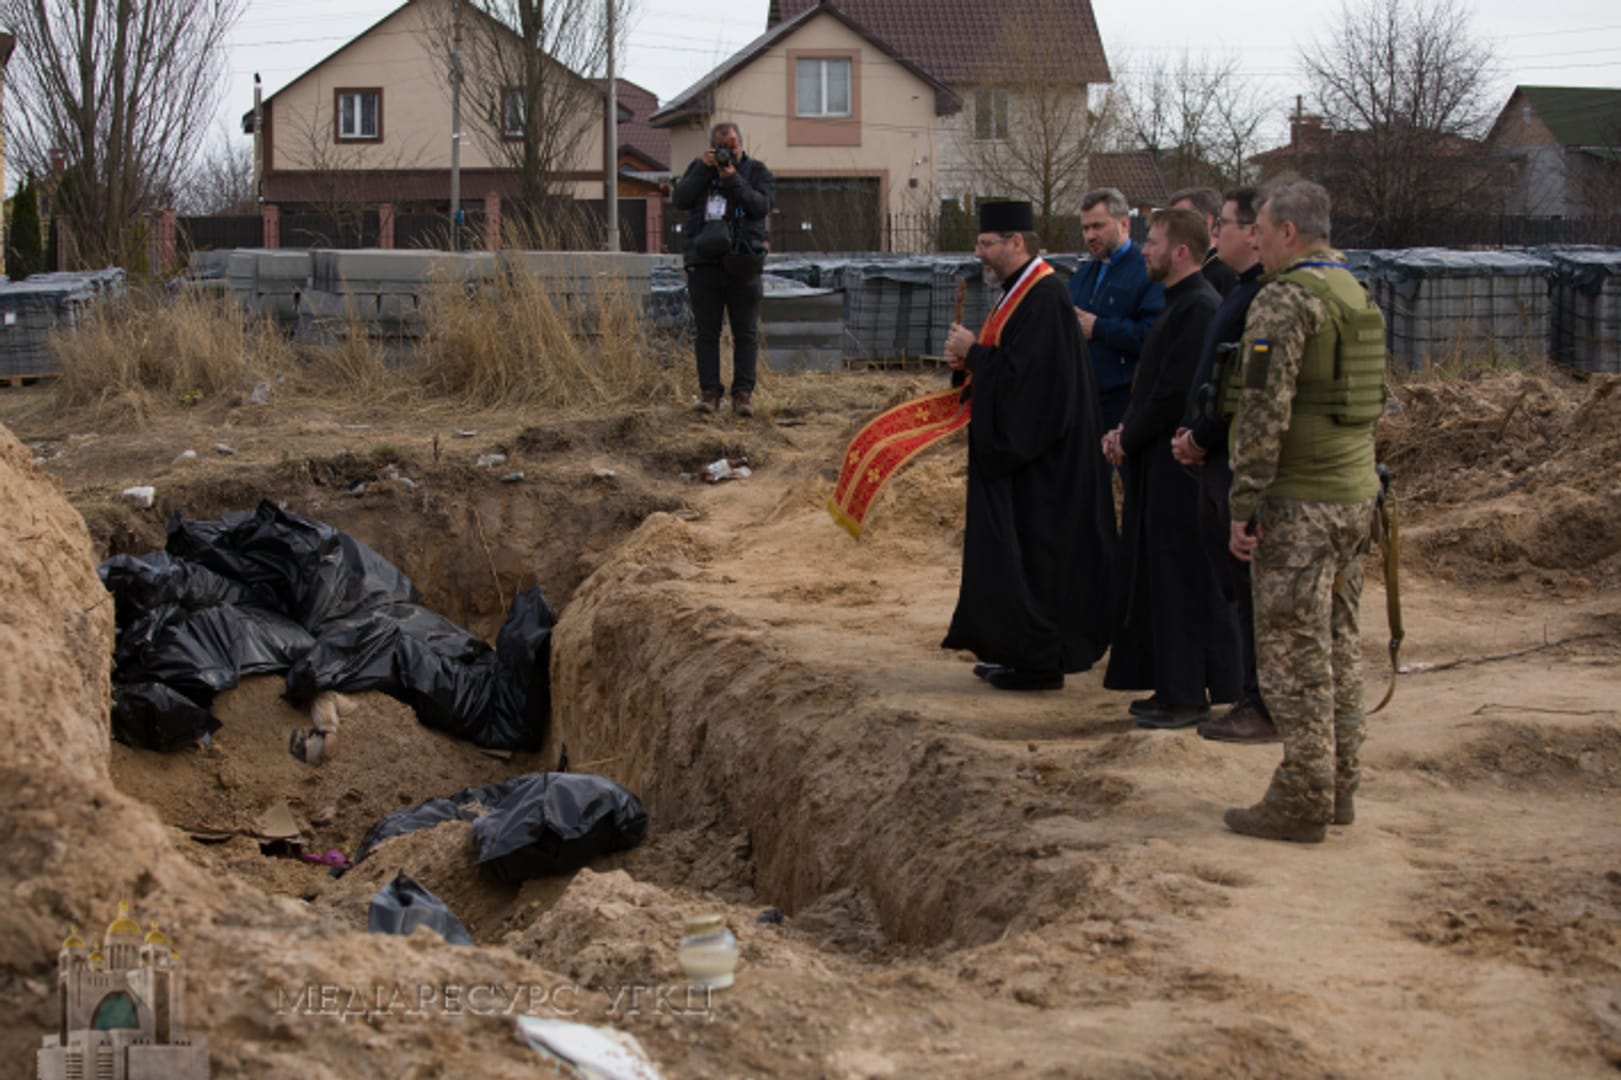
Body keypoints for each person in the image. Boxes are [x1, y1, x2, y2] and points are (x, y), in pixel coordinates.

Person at [1224, 179, 1384, 844]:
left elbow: (1263, 411)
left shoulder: (1285, 299)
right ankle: (1338, 785)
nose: (1254, 243)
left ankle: (1301, 797)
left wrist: (1244, 501)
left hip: (1300, 502)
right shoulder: (1353, 291)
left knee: (1293, 653)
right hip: (1354, 497)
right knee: (1338, 645)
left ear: (1288, 233)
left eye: (1259, 231)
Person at [940, 201, 1116, 692]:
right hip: (1022, 459)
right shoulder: (1018, 292)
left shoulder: (1045, 296)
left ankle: (1040, 662)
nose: (979, 254)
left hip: (1044, 464)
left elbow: (1035, 386)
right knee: (1015, 560)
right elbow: (1010, 363)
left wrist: (975, 355)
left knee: (1040, 561)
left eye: (986, 244)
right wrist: (969, 361)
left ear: (1016, 242)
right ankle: (1018, 653)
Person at [1100, 208, 1240, 727]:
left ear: (1180, 251)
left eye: (1153, 242)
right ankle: (1169, 685)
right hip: (1155, 463)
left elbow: (1174, 392)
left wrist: (1129, 436)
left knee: (1181, 580)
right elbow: (1152, 385)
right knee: (1159, 578)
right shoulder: (1178, 303)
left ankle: (1186, 694)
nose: (1144, 250)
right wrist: (1125, 429)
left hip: (1177, 469)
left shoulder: (1198, 307)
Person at [1170, 187, 1277, 743]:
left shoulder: (1265, 300)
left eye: (1224, 226)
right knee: (1235, 589)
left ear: (1255, 234)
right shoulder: (1240, 291)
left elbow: (1247, 395)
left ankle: (1260, 701)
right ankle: (1250, 695)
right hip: (1214, 459)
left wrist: (1202, 437)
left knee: (1252, 590)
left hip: (1235, 460)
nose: (1216, 236)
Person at [670, 121, 774, 417]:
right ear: (712, 148)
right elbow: (680, 200)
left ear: (740, 144)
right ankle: (710, 394)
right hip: (705, 263)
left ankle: (743, 395)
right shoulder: (699, 169)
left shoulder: (757, 172)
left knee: (746, 333)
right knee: (706, 333)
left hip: (743, 262)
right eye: (721, 147)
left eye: (731, 145)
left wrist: (733, 179)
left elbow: (761, 206)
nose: (727, 152)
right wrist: (704, 170)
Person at [1069, 188, 1164, 437]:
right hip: (1084, 401)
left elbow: (1152, 336)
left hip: (1125, 403)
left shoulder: (1147, 272)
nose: (1090, 235)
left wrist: (1099, 327)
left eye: (1098, 226)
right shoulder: (1082, 276)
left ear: (1124, 224)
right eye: (1085, 228)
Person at [1169, 186, 1239, 298]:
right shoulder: (1177, 266)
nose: (1171, 226)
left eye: (1180, 217)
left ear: (1207, 221)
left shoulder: (1226, 271)